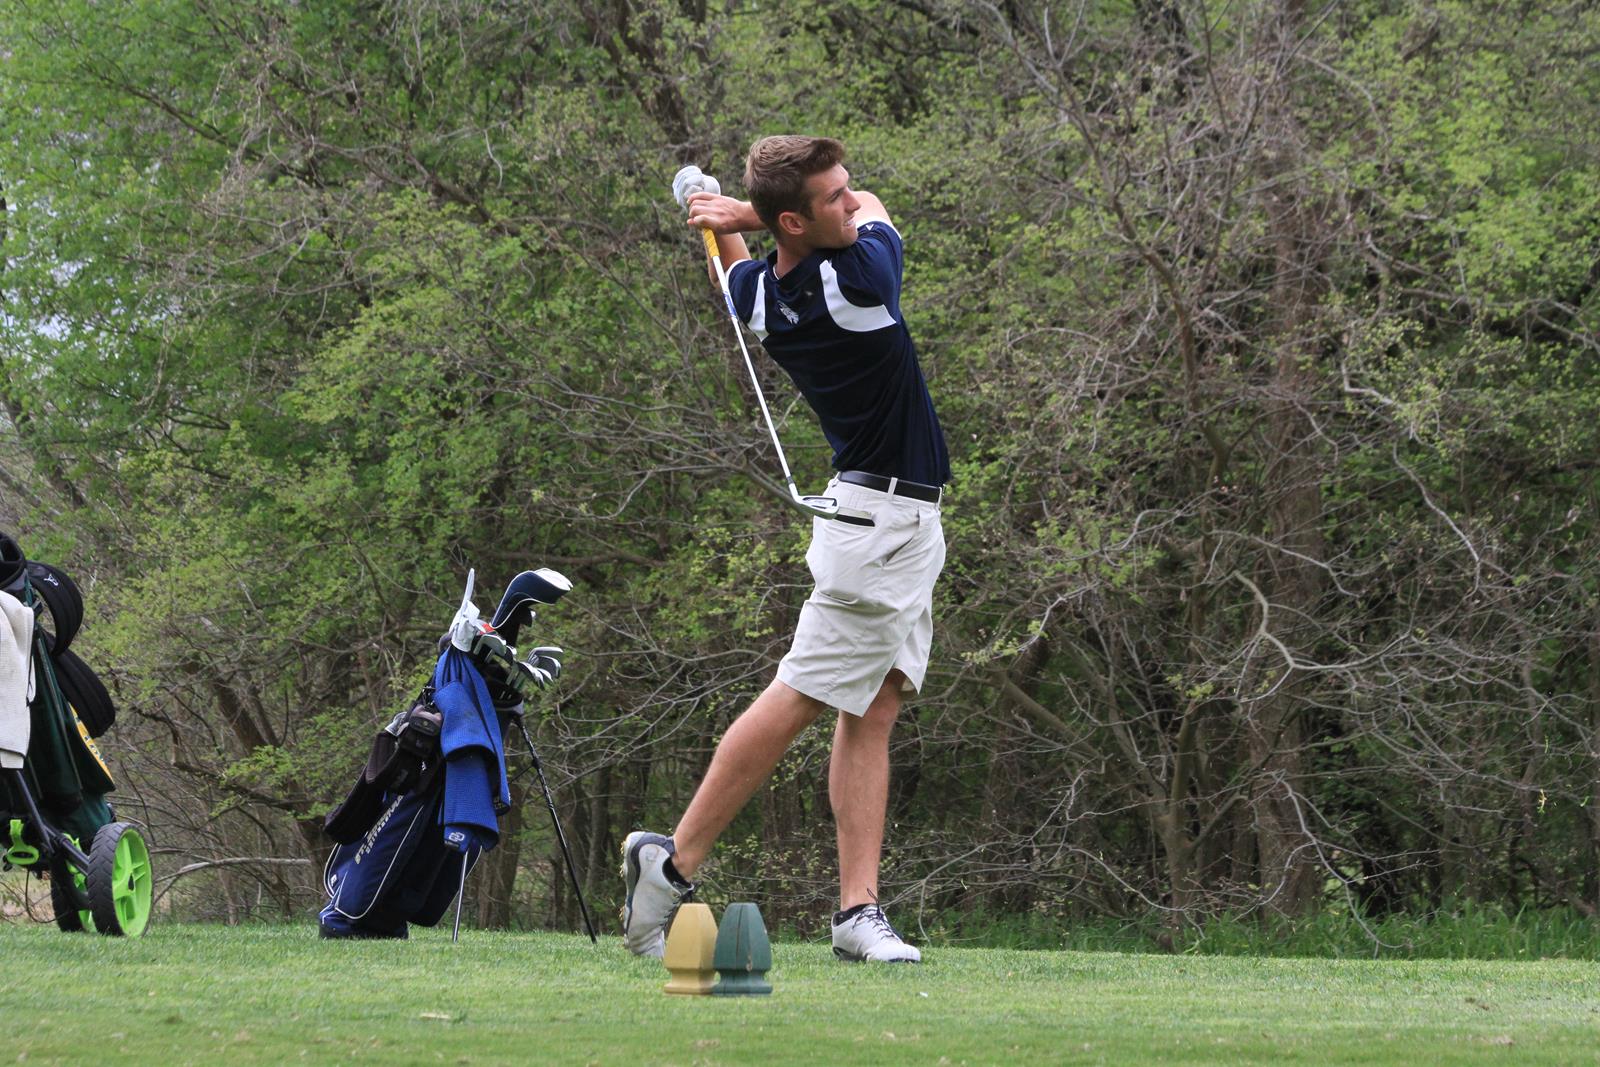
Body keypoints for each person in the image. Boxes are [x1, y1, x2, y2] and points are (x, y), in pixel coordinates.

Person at [621, 136, 949, 963]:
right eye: (830, 197)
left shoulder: (767, 296)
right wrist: (739, 209)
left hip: (894, 526)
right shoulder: (861, 280)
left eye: (843, 190)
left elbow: (733, 277)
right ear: (797, 220)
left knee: (871, 707)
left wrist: (732, 218)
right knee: (801, 692)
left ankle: (855, 911)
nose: (851, 199)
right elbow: (877, 211)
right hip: (879, 526)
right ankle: (673, 862)